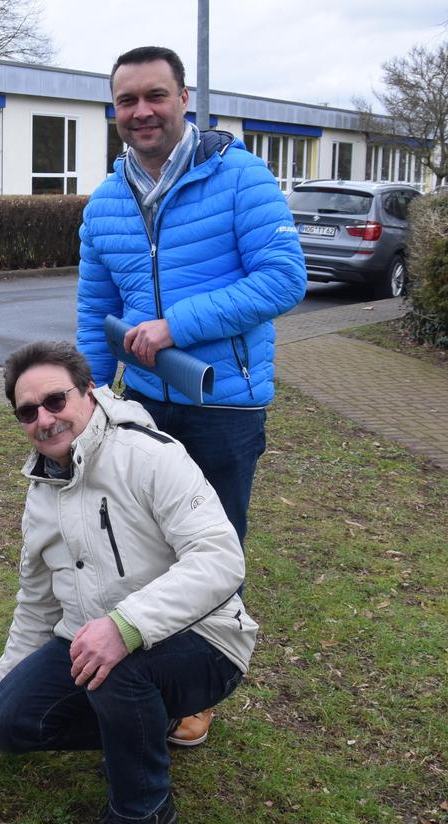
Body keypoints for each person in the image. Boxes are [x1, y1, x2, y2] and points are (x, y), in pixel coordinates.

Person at [76, 45, 304, 747]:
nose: (141, 111)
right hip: (141, 404)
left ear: (184, 99)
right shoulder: (108, 200)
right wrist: (83, 394)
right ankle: (141, 665)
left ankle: (200, 690)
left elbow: (282, 279)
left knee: (211, 548)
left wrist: (178, 325)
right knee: (143, 548)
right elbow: (94, 308)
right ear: (113, 110)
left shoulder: (239, 177)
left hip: (225, 406)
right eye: (126, 101)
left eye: (155, 96)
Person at [0, 341, 256, 824]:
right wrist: (3, 691)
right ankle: (135, 730)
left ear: (89, 391)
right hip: (94, 639)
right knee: (10, 722)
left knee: (116, 665)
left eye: (56, 400)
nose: (44, 419)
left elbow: (221, 560)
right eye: (27, 411)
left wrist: (126, 626)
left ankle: (144, 807)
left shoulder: (150, 455)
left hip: (205, 640)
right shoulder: (41, 491)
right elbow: (36, 606)